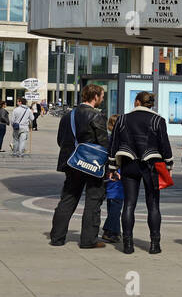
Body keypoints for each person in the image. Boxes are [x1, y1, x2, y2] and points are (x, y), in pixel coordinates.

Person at [109, 91, 173, 254]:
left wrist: (112, 167)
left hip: (129, 164)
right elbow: (165, 145)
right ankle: (154, 244)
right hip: (152, 165)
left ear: (137, 102)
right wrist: (169, 165)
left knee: (129, 204)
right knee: (153, 205)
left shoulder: (122, 119)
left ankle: (128, 245)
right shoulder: (158, 120)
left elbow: (114, 144)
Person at [49, 83, 110, 249]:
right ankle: (88, 240)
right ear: (95, 96)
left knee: (68, 198)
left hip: (72, 162)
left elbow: (61, 139)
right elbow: (104, 143)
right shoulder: (97, 116)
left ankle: (57, 237)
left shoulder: (67, 116)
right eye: (102, 96)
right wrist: (111, 166)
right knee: (93, 200)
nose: (102, 99)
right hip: (92, 164)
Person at [101, 115, 124, 241]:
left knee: (112, 203)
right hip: (117, 174)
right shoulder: (119, 141)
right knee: (116, 203)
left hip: (108, 174)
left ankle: (115, 231)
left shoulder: (108, 139)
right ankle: (109, 230)